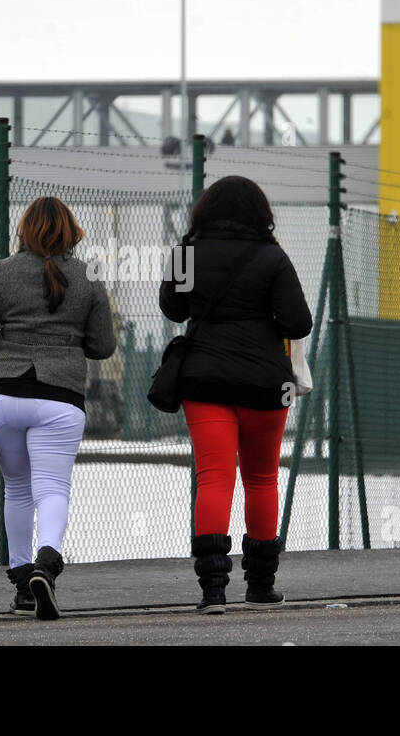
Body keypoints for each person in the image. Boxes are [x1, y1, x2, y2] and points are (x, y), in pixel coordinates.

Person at [159, 175, 312, 614]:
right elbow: (298, 323)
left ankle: (212, 590)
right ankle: (261, 586)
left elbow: (173, 309)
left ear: (204, 211)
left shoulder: (186, 253)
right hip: (266, 383)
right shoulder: (272, 257)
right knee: (261, 478)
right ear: (260, 214)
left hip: (204, 379)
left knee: (214, 477)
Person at [0, 196, 116, 620]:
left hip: (4, 395)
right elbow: (103, 346)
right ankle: (46, 565)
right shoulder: (89, 277)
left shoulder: (0, 272)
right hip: (60, 397)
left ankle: (21, 583)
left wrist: (9, 346)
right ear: (71, 232)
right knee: (52, 487)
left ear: (24, 230)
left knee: (17, 486)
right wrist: (68, 343)